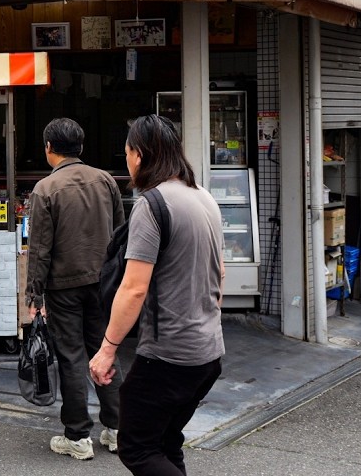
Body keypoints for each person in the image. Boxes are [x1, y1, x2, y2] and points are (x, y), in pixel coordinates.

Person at [89, 114, 224, 476]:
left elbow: (134, 288)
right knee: (165, 441)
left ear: (141, 154)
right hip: (208, 352)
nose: (128, 162)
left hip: (169, 356)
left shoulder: (152, 204)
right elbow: (220, 276)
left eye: (129, 153)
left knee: (136, 448)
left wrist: (107, 350)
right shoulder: (203, 197)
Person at [26, 117, 126, 460]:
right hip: (104, 283)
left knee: (71, 357)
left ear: (49, 148)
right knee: (106, 351)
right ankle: (116, 429)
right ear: (80, 147)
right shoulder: (106, 180)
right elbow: (120, 234)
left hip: (63, 286)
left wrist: (34, 295)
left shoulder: (45, 189)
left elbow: (39, 248)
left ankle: (78, 436)